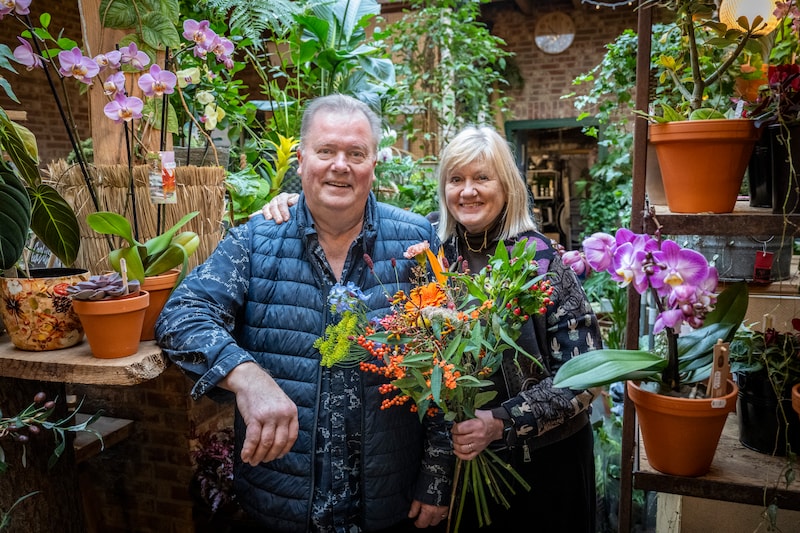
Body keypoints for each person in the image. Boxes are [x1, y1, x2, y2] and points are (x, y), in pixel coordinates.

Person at [262, 125, 602, 532]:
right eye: (456, 179)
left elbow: (588, 374)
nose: (468, 191)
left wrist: (502, 422)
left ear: (507, 185)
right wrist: (305, 203)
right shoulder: (429, 247)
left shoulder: (540, 260)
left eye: (482, 178)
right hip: (463, 465)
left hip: (543, 464)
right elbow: (361, 217)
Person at [156, 94, 453, 533]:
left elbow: (448, 359)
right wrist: (247, 376)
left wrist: (437, 476)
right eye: (326, 151)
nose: (340, 165)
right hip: (282, 503)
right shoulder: (255, 241)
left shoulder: (416, 241)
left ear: (374, 164)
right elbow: (181, 314)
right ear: (301, 160)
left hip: (390, 502)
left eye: (356, 153)